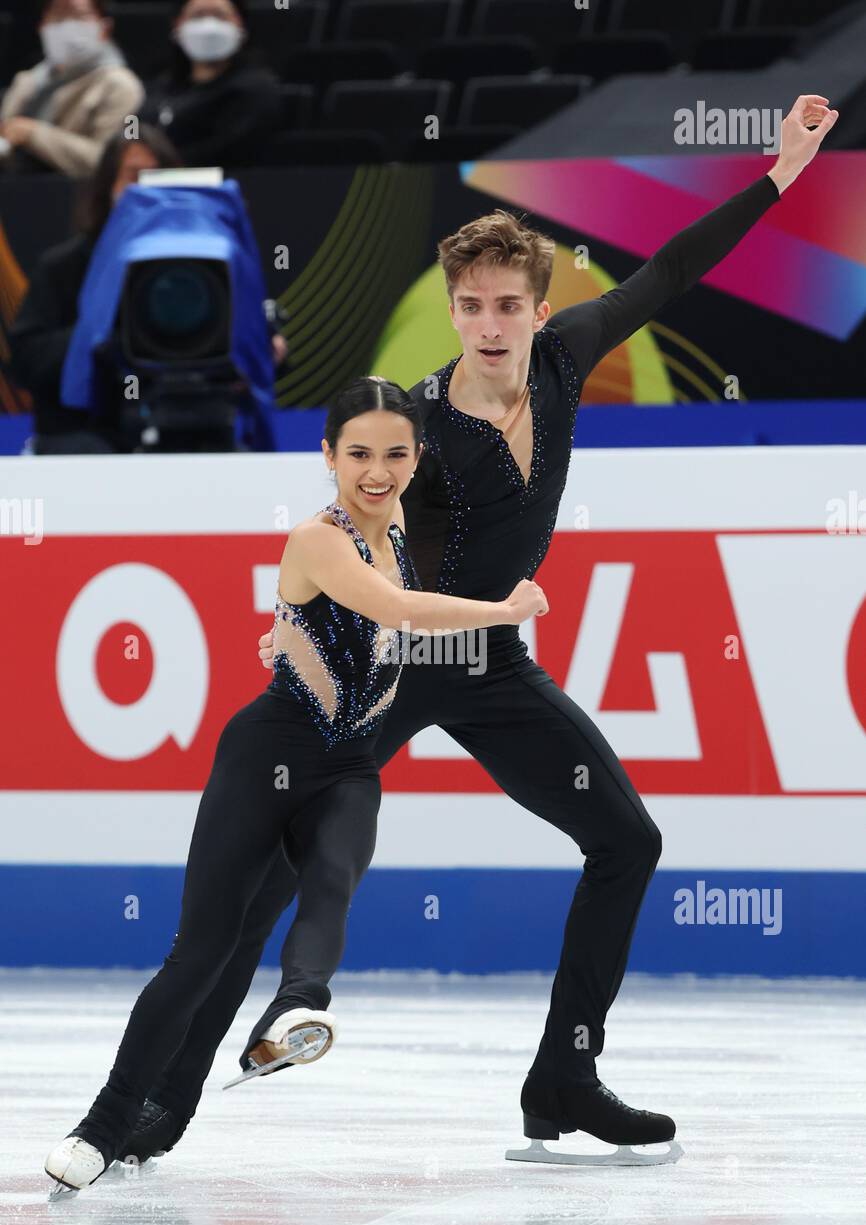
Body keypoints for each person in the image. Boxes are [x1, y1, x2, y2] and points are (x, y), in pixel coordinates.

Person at [119, 94, 837, 1170]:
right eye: (471, 305)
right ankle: (157, 1109)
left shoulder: (565, 355)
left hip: (491, 666)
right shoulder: (412, 421)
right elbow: (354, 524)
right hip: (392, 670)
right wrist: (296, 622)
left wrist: (779, 175)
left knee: (626, 842)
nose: (491, 324)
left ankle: (563, 1075)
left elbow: (670, 269)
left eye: (507, 302)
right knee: (267, 889)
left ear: (537, 305)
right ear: (451, 310)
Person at [43, 376, 549, 1194]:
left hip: (346, 762)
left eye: (394, 452)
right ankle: (107, 1126)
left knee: (331, 881)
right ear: (328, 457)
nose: (376, 470)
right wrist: (503, 610)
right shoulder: (321, 537)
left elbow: (365, 624)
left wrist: (288, 632)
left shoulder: (397, 531)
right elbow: (400, 612)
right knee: (207, 952)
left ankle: (290, 1013)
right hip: (266, 754)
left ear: (417, 458)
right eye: (358, 454)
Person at [7, 125, 181, 454]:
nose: (145, 191)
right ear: (107, 186)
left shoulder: (201, 269)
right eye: (134, 176)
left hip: (181, 428)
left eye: (156, 177)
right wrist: (99, 328)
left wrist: (262, 348)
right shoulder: (65, 266)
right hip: (81, 432)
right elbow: (27, 361)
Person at [0, 0, 143, 178]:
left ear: (104, 28)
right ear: (41, 26)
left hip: (77, 197)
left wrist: (33, 134)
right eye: (59, 15)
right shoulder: (27, 81)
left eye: (78, 15)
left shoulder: (120, 85)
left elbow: (113, 161)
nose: (68, 24)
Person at [137, 0, 282, 170]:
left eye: (220, 15)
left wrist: (167, 165)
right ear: (177, 25)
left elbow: (234, 150)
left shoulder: (257, 90)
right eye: (197, 16)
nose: (209, 26)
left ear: (241, 24)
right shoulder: (157, 89)